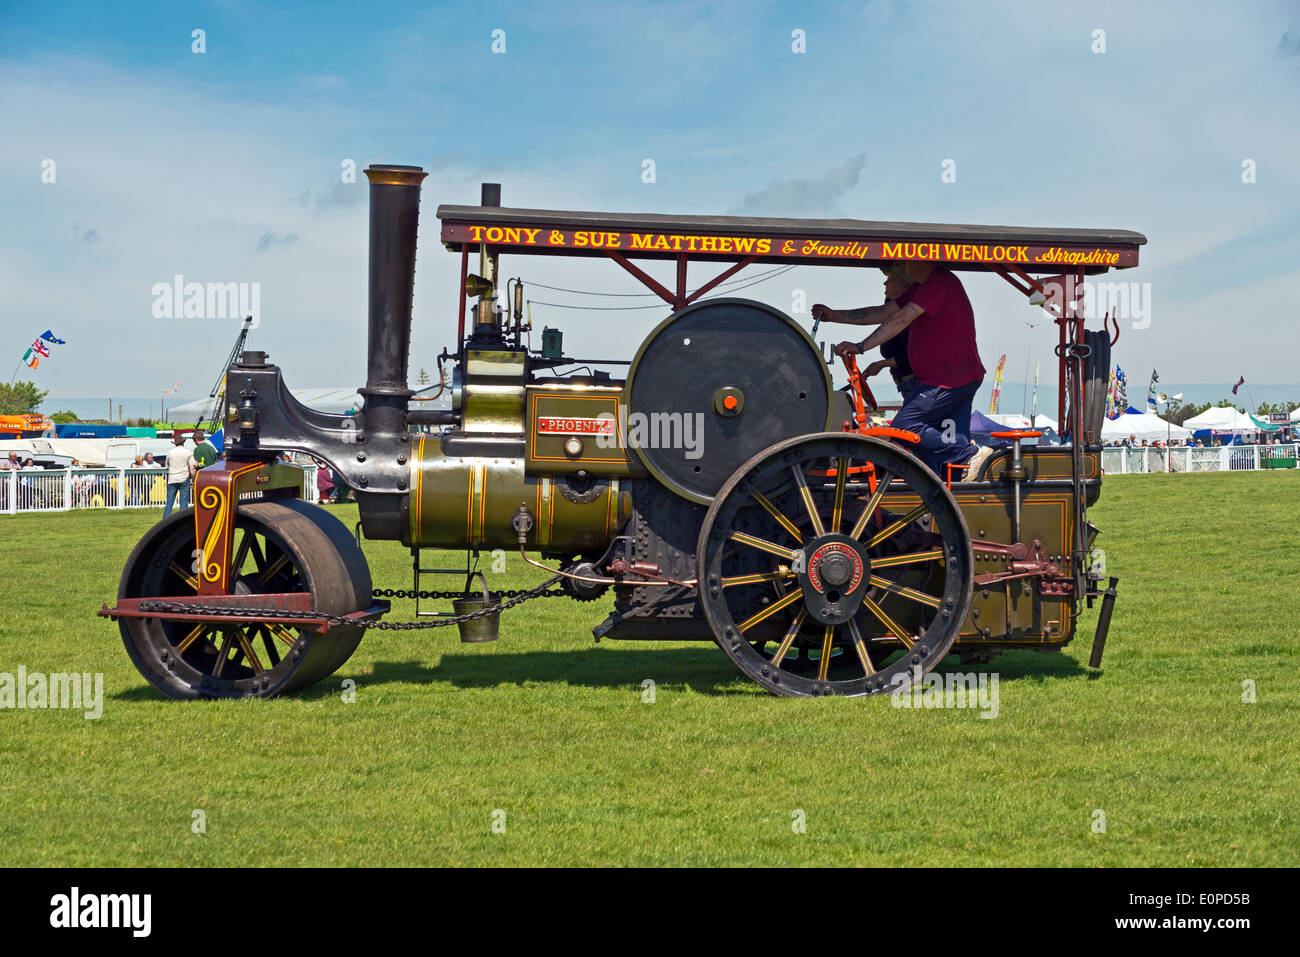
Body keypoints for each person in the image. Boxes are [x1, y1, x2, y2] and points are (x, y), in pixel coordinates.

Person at [815, 260, 988, 476]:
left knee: (905, 428)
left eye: (906, 261)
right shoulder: (921, 288)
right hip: (956, 377)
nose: (903, 267)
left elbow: (901, 319)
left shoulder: (940, 283)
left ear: (921, 261)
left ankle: (967, 454)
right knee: (948, 436)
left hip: (947, 379)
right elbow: (883, 312)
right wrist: (834, 316)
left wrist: (861, 346)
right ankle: (954, 488)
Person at [163, 433, 196, 517]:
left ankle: (165, 520)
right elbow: (192, 468)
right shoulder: (188, 452)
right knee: (183, 502)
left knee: (169, 502)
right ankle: (182, 519)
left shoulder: (170, 453)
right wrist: (194, 479)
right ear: (183, 443)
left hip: (172, 479)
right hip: (184, 478)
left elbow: (167, 467)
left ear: (175, 443)